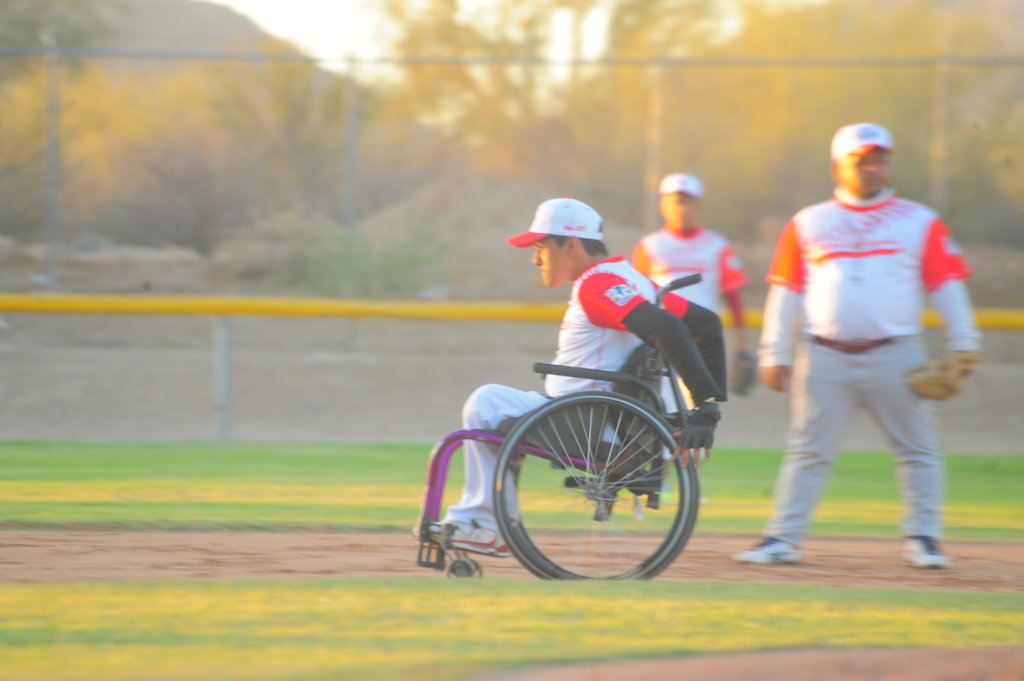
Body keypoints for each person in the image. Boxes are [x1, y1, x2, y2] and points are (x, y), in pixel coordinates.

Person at [734, 122, 980, 569]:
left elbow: (946, 284)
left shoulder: (919, 221)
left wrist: (965, 342)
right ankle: (782, 538)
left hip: (897, 354)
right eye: (862, 160)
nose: (873, 167)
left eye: (880, 158)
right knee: (808, 451)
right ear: (836, 167)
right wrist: (775, 352)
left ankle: (925, 537)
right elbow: (786, 291)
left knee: (918, 450)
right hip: (824, 355)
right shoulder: (809, 222)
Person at [441, 197, 728, 556]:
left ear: (571, 245)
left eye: (541, 247)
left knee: (485, 407)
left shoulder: (598, 284)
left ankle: (486, 524)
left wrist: (704, 408)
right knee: (488, 401)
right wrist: (708, 410)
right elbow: (706, 325)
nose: (535, 259)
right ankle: (491, 520)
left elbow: (669, 328)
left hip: (586, 424)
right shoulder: (634, 281)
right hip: (600, 418)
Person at [631, 173, 754, 395]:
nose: (681, 209)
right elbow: (635, 296)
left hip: (703, 340)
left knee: (702, 409)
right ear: (662, 205)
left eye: (687, 202)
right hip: (663, 341)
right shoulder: (649, 246)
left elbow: (732, 294)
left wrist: (742, 342)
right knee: (664, 408)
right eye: (675, 202)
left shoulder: (717, 245)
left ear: (699, 205)